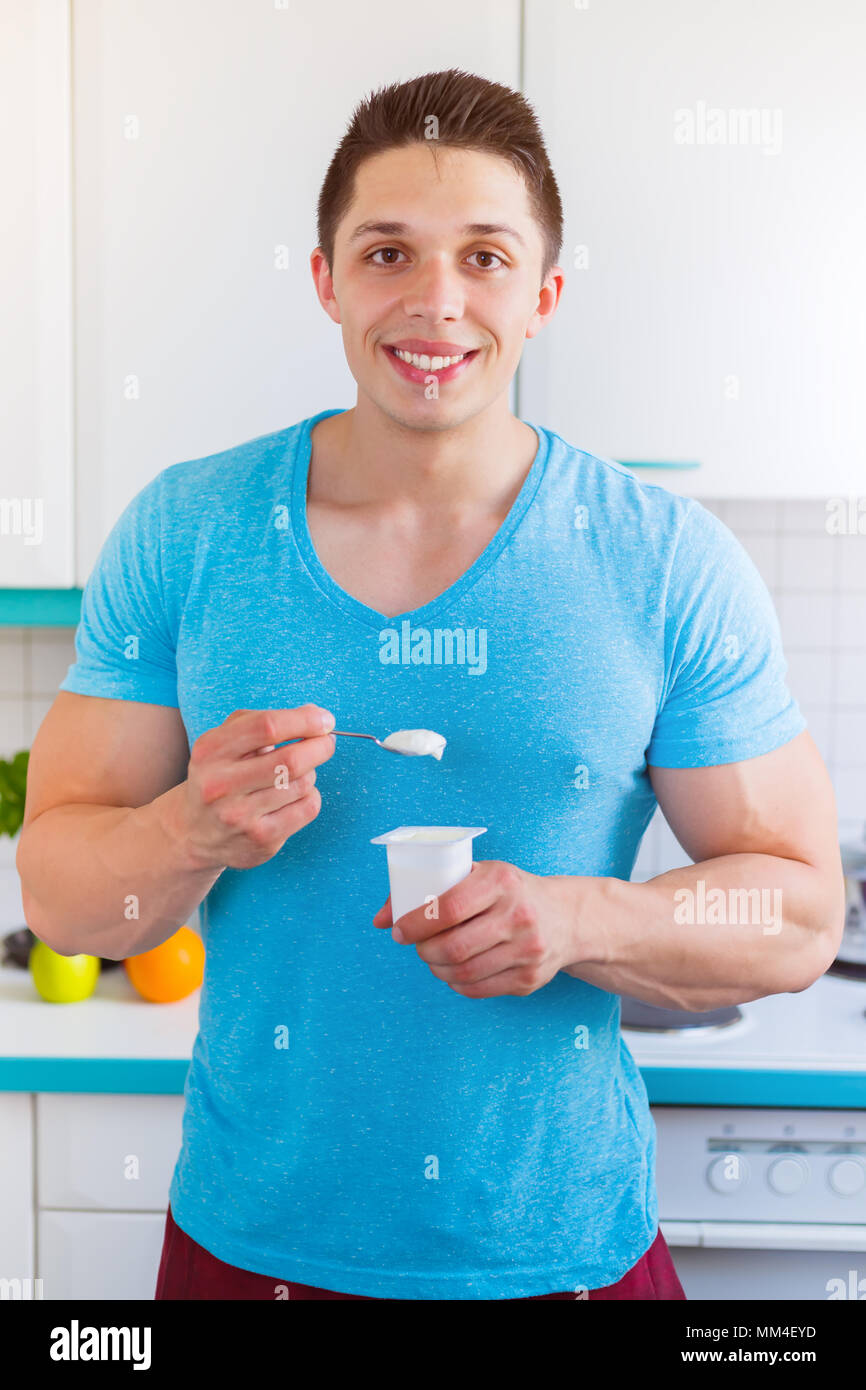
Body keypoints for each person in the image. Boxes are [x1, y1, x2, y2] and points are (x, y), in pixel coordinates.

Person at [17, 68, 844, 1302]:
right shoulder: (186, 533)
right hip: (251, 1256)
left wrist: (576, 922)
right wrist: (190, 828)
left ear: (545, 294)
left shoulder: (662, 560)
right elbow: (67, 901)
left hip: (562, 1262)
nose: (436, 303)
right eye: (388, 251)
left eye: (486, 258)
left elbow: (796, 917)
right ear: (326, 280)